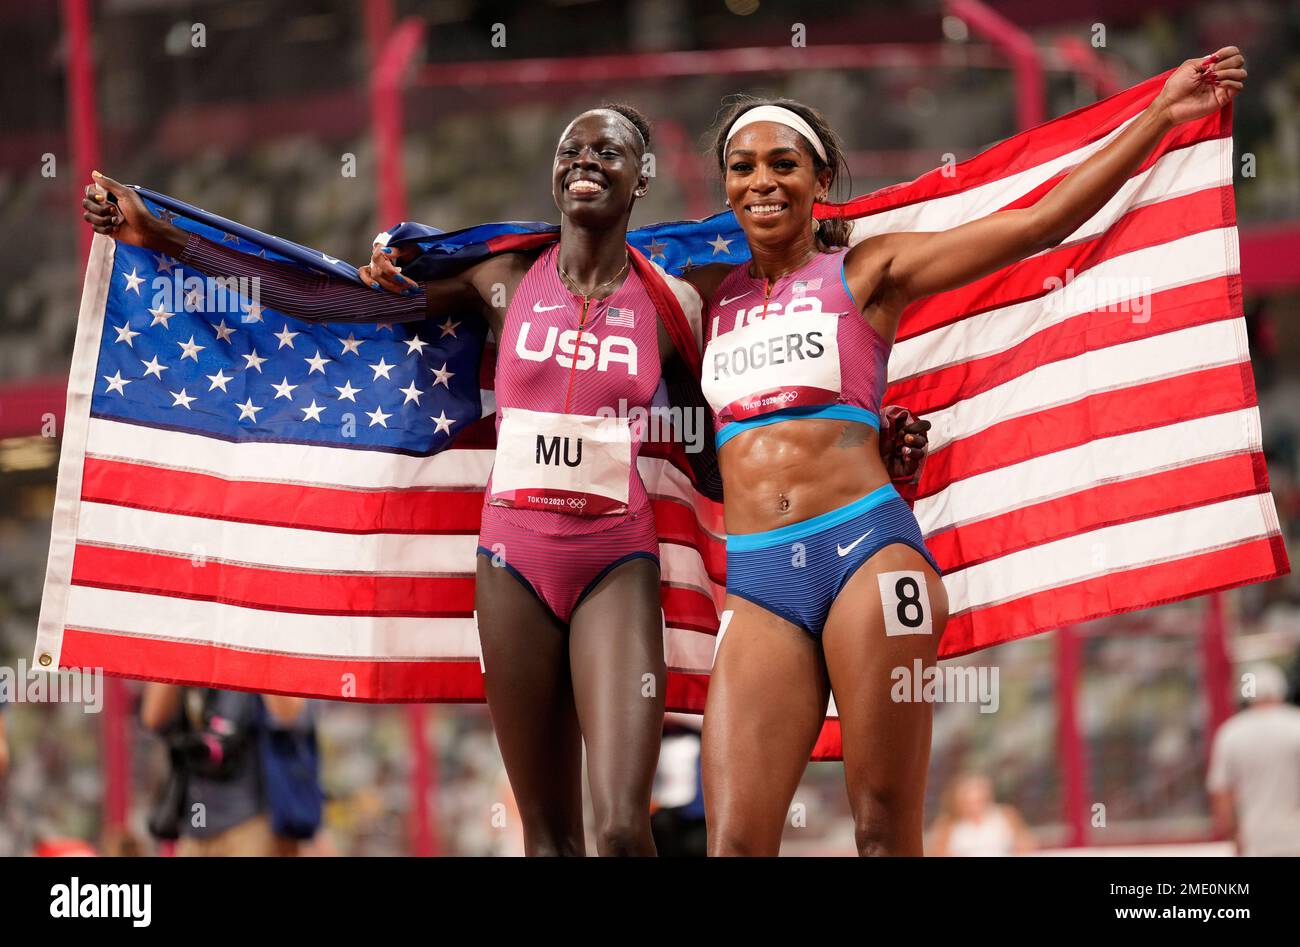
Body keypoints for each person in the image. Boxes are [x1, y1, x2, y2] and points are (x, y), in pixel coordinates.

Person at [85, 105, 926, 857]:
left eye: (608, 150)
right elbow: (330, 302)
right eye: (571, 150)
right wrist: (161, 234)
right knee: (546, 834)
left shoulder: (672, 303)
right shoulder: (501, 282)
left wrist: (856, 459)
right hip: (512, 564)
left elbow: (732, 439)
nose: (586, 161)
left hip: (616, 564)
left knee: (620, 827)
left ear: (641, 180)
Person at [680, 48, 1247, 855]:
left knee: (883, 833)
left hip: (865, 557)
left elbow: (1038, 225)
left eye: (783, 162)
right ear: (725, 185)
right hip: (758, 578)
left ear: (817, 180)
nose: (762, 180)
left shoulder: (870, 270)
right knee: (732, 843)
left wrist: (1157, 115)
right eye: (743, 167)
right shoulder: (706, 294)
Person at [141, 684, 313, 857]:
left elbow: (290, 715)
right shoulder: (194, 664)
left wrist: (259, 659)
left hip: (252, 821)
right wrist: (175, 659)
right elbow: (153, 718)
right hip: (196, 819)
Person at [1207, 662, 1300, 856]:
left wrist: (1234, 836)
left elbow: (1221, 794)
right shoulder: (1296, 726)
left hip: (1255, 840)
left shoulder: (1231, 733)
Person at [927, 773, 1035, 856]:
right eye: (968, 802)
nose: (974, 805)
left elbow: (1026, 845)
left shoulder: (1006, 814)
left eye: (979, 800)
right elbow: (935, 852)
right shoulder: (948, 824)